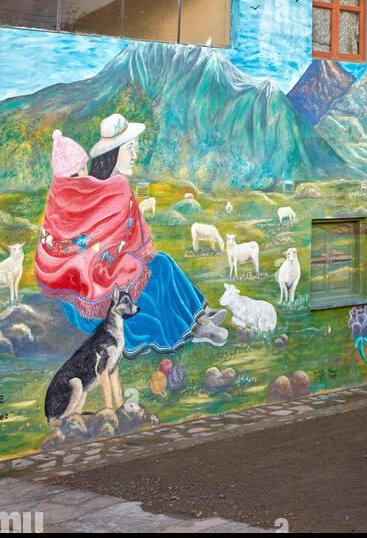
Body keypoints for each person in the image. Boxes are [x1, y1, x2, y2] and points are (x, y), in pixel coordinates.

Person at [35, 113, 227, 356]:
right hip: (98, 277)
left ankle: (200, 316)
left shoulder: (95, 188)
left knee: (162, 262)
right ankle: (196, 326)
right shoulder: (109, 188)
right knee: (159, 269)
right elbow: (92, 241)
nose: (135, 154)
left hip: (102, 268)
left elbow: (109, 237)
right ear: (115, 152)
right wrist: (115, 258)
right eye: (130, 148)